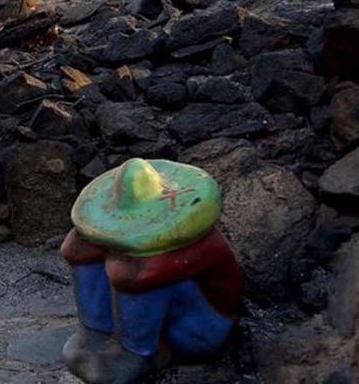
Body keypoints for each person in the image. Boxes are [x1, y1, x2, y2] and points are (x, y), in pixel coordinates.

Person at [60, 158, 243, 384]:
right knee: (85, 248)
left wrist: (117, 263)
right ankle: (94, 332)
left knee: (135, 275)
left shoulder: (204, 244)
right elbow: (73, 249)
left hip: (199, 328)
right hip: (164, 324)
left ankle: (135, 353)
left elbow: (134, 274)